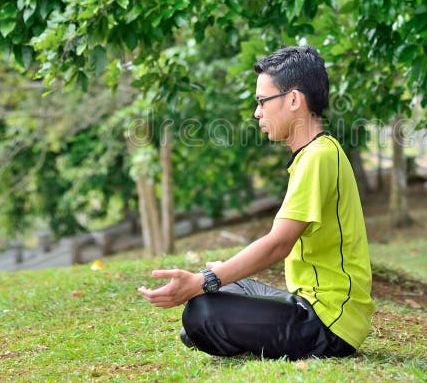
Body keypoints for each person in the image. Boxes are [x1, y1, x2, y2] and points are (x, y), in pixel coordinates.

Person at [138, 45, 373, 360]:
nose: (257, 113)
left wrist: (205, 281)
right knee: (219, 292)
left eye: (263, 101)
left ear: (293, 100)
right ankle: (221, 328)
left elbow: (279, 245)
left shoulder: (318, 157)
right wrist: (217, 279)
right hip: (309, 305)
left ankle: (218, 328)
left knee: (202, 311)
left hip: (329, 324)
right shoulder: (316, 153)